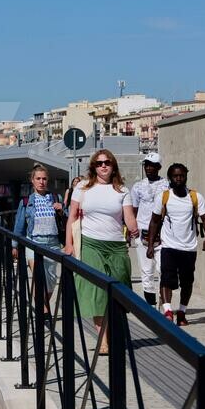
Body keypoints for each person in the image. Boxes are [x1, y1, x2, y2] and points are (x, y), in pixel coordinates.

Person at [63, 149, 140, 355]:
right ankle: (103, 340)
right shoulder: (83, 187)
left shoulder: (123, 190)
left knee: (119, 291)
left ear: (113, 166)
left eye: (107, 163)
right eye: (99, 163)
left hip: (116, 246)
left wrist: (137, 230)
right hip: (90, 244)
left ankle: (115, 331)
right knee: (95, 293)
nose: (103, 166)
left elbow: (129, 218)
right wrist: (69, 245)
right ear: (93, 167)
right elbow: (71, 217)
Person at [146, 163, 205, 326]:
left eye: (181, 176)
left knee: (187, 282)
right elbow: (154, 221)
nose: (178, 178)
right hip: (168, 246)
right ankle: (168, 311)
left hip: (189, 247)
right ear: (170, 178)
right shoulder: (164, 196)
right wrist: (150, 244)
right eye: (175, 176)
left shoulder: (195, 197)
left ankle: (182, 312)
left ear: (186, 177)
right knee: (167, 278)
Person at [13, 164, 65, 317]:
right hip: (34, 243)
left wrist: (61, 210)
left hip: (53, 243)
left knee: (51, 280)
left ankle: (43, 305)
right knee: (38, 276)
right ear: (32, 180)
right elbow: (19, 224)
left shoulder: (56, 198)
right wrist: (14, 245)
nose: (41, 182)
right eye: (38, 179)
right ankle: (43, 310)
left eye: (44, 179)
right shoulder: (26, 202)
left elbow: (65, 219)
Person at [130, 152, 169, 307]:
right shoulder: (138, 186)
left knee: (163, 269)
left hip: (163, 232)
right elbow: (133, 210)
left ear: (159, 167)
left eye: (152, 165)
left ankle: (164, 302)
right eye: (146, 165)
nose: (149, 168)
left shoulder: (167, 185)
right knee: (146, 271)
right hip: (143, 231)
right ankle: (150, 306)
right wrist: (130, 230)